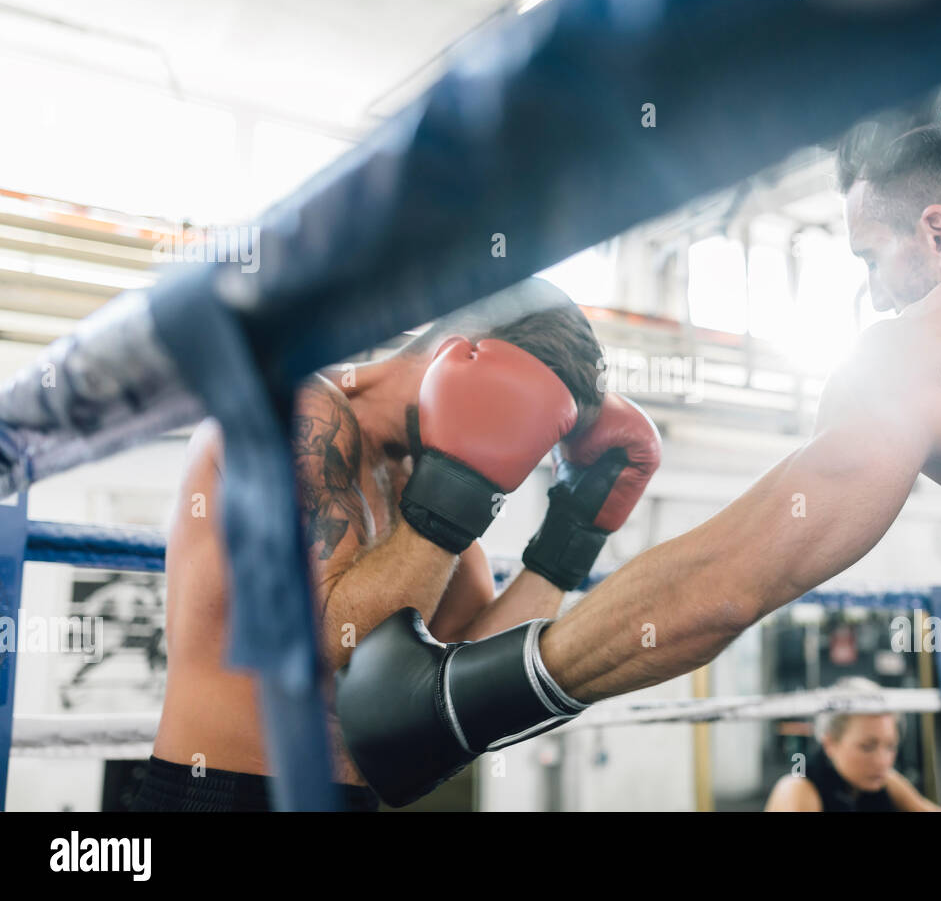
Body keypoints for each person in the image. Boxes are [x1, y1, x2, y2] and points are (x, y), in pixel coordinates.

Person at [337, 83, 941, 812]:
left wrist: (461, 702)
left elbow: (726, 585)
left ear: (938, 230)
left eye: (871, 261)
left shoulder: (923, 348)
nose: (876, 296)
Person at [133, 278, 661, 811]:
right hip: (218, 795)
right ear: (459, 357)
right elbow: (338, 641)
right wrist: (454, 498)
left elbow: (468, 668)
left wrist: (567, 542)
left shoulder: (425, 482)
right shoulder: (302, 411)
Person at [765, 678, 941, 812]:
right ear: (830, 744)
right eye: (867, 747)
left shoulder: (884, 780)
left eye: (890, 746)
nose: (882, 761)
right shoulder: (797, 790)